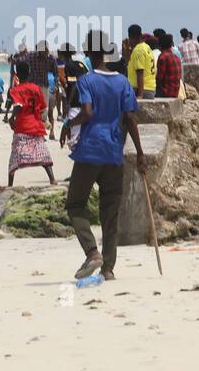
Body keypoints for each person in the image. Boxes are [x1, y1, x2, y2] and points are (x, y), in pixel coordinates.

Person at [59, 31, 145, 282]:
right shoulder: (122, 82)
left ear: (87, 53)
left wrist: (68, 124)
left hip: (89, 150)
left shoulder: (86, 81)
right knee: (110, 211)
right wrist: (139, 154)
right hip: (114, 152)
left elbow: (86, 112)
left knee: (75, 204)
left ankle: (91, 252)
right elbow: (130, 118)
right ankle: (108, 268)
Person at [7, 61, 55, 186]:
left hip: (22, 126)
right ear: (29, 74)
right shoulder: (36, 88)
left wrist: (12, 118)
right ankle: (52, 179)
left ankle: (10, 185)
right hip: (36, 126)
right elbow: (42, 107)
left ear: (17, 74)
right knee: (43, 154)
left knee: (15, 157)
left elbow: (17, 106)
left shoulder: (15, 90)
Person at [24, 42, 58, 126]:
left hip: (44, 86)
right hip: (32, 85)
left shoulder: (51, 58)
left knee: (43, 108)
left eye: (47, 49)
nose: (46, 51)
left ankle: (41, 128)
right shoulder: (31, 56)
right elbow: (21, 62)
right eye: (44, 50)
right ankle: (33, 125)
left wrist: (56, 84)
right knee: (32, 107)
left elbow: (56, 73)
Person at [125, 24, 156, 99]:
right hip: (150, 88)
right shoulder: (146, 47)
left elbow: (140, 72)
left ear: (131, 37)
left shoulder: (138, 50)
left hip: (142, 89)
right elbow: (128, 61)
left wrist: (140, 95)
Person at [155, 33, 182, 98]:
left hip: (166, 92)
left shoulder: (163, 57)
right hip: (176, 92)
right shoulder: (176, 57)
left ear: (159, 45)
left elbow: (159, 78)